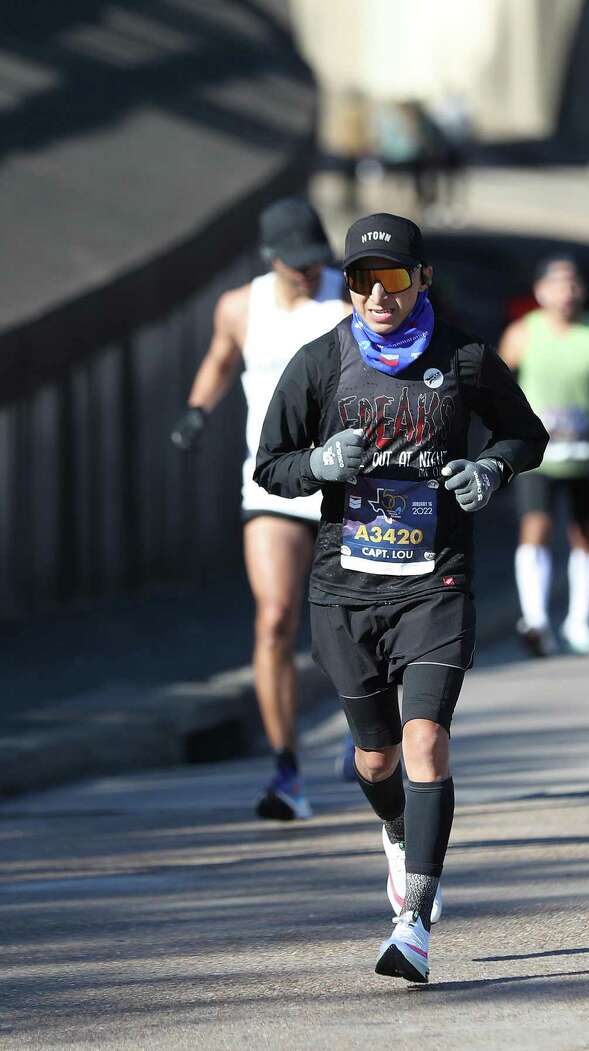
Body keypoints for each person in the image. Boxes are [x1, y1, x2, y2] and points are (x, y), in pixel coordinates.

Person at [254, 212, 547, 983]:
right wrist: (318, 461)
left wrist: (491, 470)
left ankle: (413, 917)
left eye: (391, 278)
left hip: (435, 582)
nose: (377, 295)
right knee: (375, 754)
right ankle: (394, 825)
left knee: (425, 742)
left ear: (422, 280)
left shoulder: (466, 359)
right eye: (360, 280)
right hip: (346, 589)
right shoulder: (319, 364)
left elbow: (528, 435)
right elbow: (270, 465)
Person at [170, 197, 350, 821]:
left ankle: (370, 732)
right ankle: (287, 772)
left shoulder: (349, 299)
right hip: (271, 482)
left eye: (315, 260)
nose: (308, 271)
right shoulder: (239, 307)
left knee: (356, 623)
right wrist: (197, 411)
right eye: (295, 262)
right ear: (269, 257)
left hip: (349, 484)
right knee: (274, 618)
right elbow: (221, 360)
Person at [499, 256, 589, 656]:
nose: (566, 292)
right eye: (557, 284)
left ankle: (579, 621)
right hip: (536, 457)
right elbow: (495, 395)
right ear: (539, 291)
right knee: (535, 527)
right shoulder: (521, 335)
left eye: (573, 284)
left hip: (586, 455)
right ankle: (535, 619)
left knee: (586, 534)